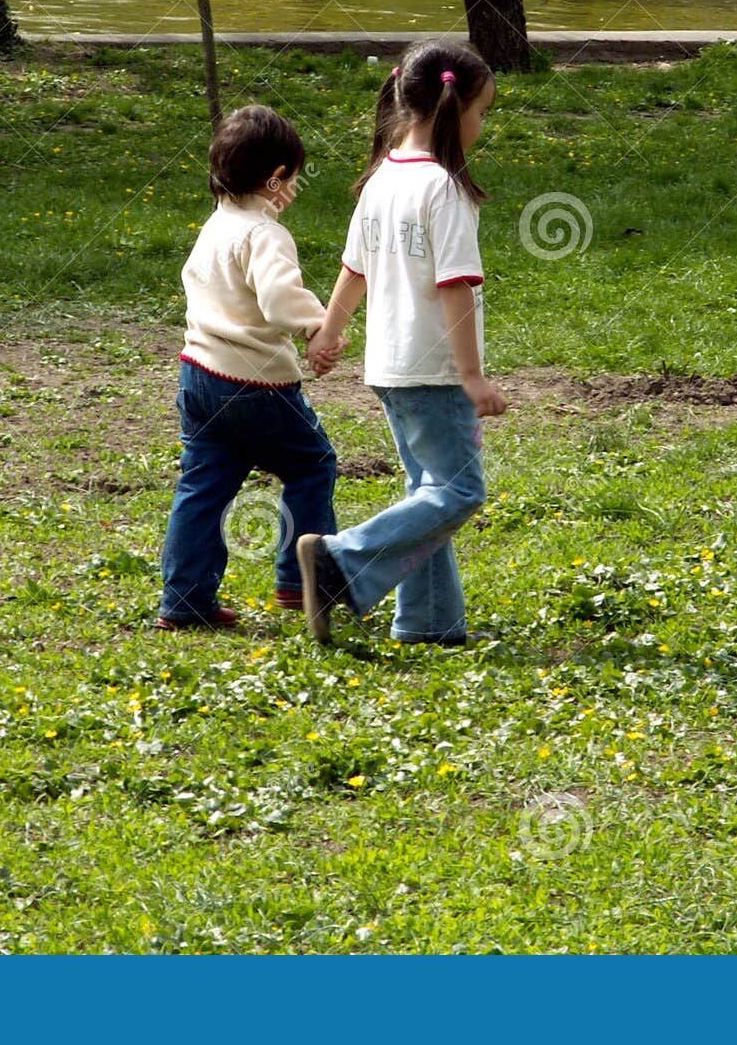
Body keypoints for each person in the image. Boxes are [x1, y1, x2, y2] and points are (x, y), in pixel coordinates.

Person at [298, 41, 507, 648]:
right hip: (434, 370)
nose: (481, 126)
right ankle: (340, 561)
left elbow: (353, 269)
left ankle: (429, 621)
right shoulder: (444, 189)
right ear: (451, 107)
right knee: (459, 492)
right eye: (482, 112)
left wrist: (330, 332)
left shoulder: (382, 179)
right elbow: (456, 287)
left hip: (388, 366)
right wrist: (470, 375)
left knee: (428, 493)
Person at [157, 105, 343, 631]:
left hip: (198, 374)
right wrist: (320, 326)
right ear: (276, 178)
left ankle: (185, 602)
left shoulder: (216, 226)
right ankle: (299, 579)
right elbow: (281, 302)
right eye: (294, 181)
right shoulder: (264, 233)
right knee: (311, 464)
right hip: (255, 383)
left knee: (204, 485)